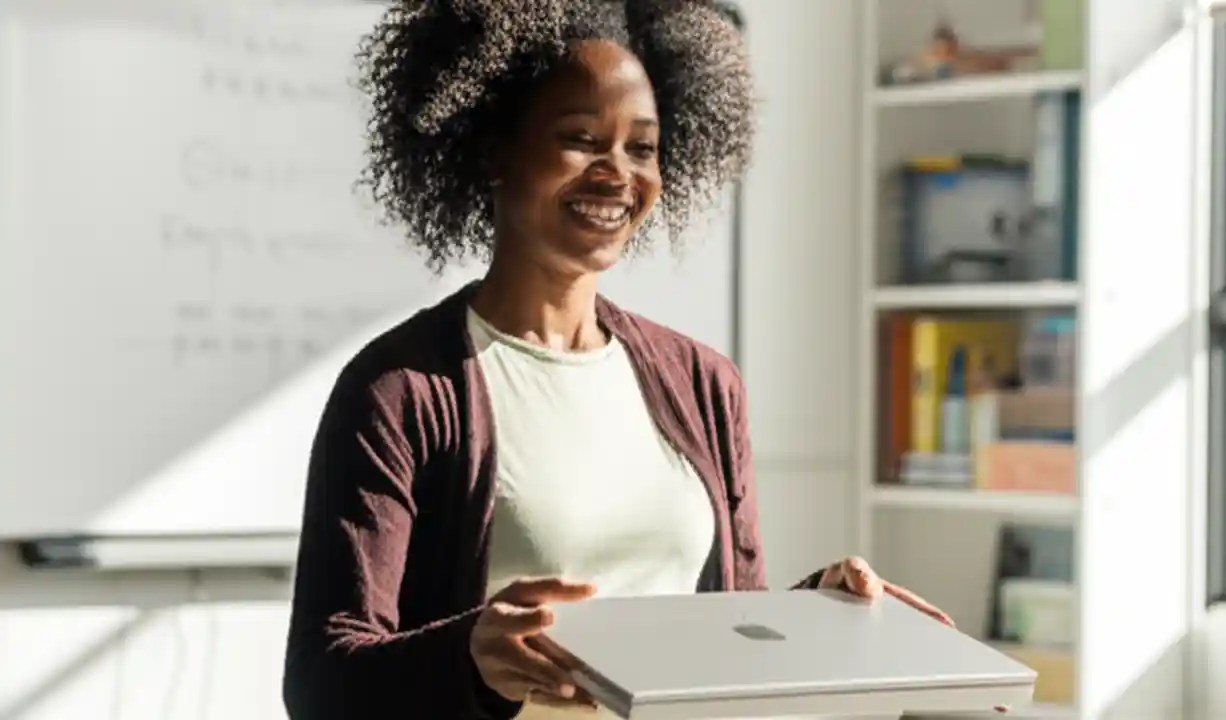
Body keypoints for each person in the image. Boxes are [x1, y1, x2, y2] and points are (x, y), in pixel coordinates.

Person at [282, 1, 952, 718]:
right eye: (580, 139)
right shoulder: (401, 390)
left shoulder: (702, 384)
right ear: (493, 150)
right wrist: (473, 658)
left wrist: (823, 613)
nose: (617, 174)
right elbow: (323, 683)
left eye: (642, 147)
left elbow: (730, 631)